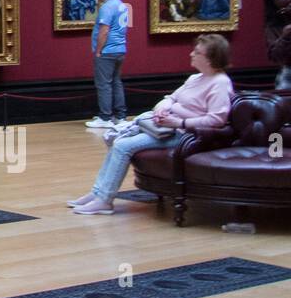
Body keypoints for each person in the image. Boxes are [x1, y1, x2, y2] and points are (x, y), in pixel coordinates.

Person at [70, 34, 234, 214]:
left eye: (197, 52)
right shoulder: (195, 78)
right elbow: (170, 98)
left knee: (123, 146)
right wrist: (162, 109)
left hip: (188, 135)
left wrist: (179, 121)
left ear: (210, 58)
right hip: (170, 128)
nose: (191, 54)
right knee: (118, 141)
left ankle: (105, 199)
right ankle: (97, 193)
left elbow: (217, 120)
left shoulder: (220, 83)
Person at [86, 0, 129, 128]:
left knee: (104, 84)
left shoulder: (107, 7)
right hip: (120, 49)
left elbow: (104, 31)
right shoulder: (122, 5)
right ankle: (120, 117)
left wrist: (98, 50)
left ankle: (105, 118)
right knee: (116, 82)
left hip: (108, 51)